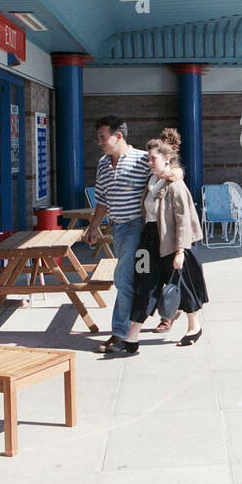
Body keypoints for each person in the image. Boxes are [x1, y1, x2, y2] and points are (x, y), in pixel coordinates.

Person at [110, 129, 209, 356]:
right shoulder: (151, 181)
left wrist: (180, 251)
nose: (149, 162)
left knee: (181, 285)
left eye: (152, 159)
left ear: (167, 158)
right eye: (148, 159)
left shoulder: (175, 184)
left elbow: (183, 219)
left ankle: (194, 327)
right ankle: (132, 337)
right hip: (149, 239)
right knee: (143, 283)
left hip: (172, 241)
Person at [83, 115, 152, 353]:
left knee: (123, 279)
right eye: (99, 138)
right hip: (117, 228)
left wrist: (177, 174)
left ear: (118, 136)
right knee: (135, 279)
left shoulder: (142, 159)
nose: (99, 142)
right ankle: (168, 311)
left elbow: (167, 170)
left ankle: (121, 333)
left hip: (137, 227)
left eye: (103, 137)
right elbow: (101, 199)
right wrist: (94, 227)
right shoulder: (103, 164)